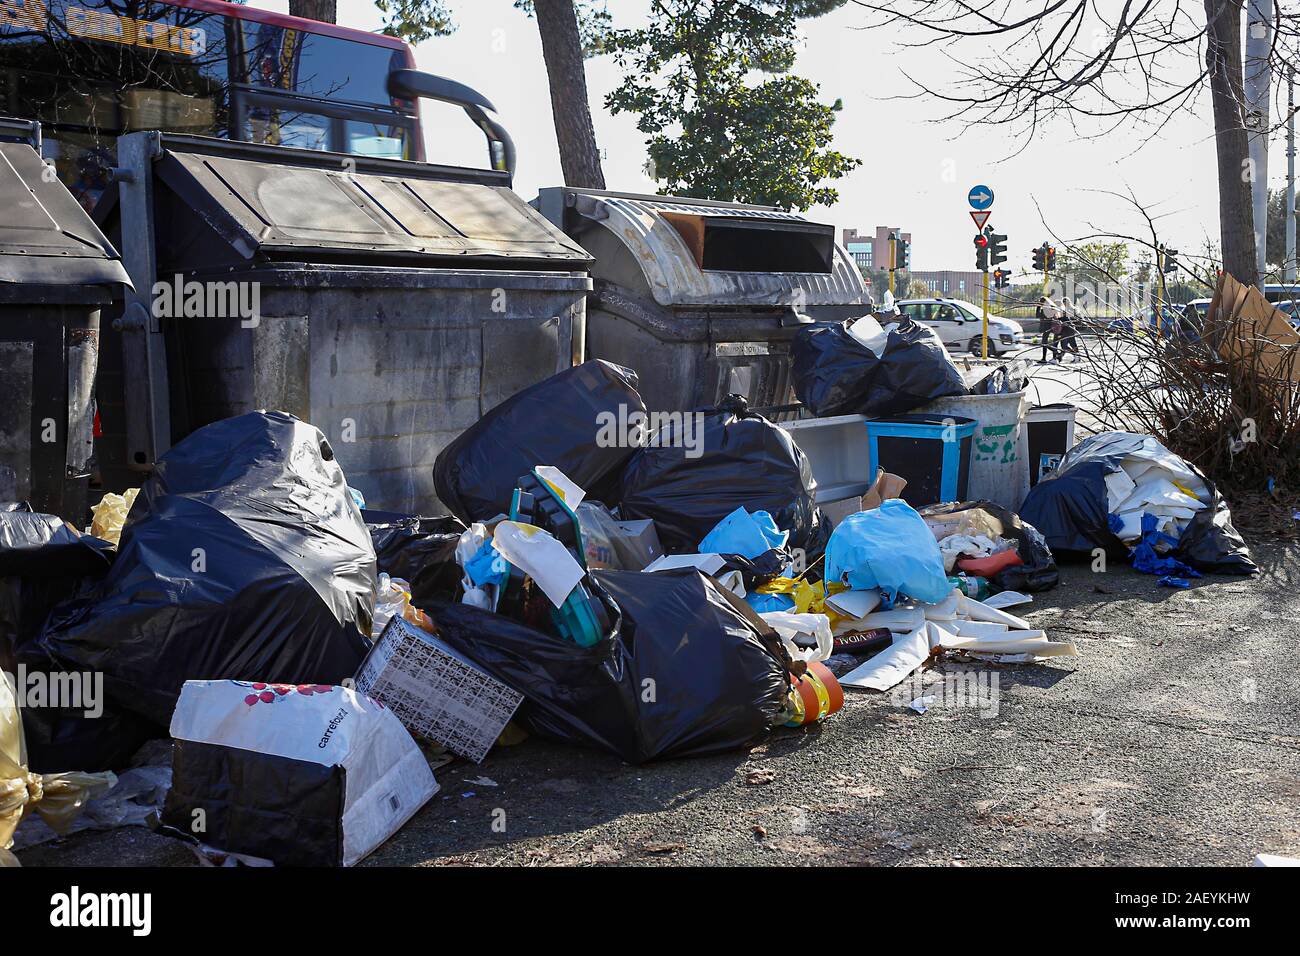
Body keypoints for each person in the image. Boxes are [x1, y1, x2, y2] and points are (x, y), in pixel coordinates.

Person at [1036, 296, 1061, 363]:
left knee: (1044, 343)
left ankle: (1055, 352)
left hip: (1047, 327)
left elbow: (1037, 315)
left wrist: (1038, 307)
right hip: (1049, 327)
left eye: (1040, 301)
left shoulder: (1045, 309)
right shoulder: (1050, 308)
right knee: (1044, 343)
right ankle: (1045, 357)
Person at [1057, 296, 1083, 361]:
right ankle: (1076, 356)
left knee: (1065, 345)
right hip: (1070, 328)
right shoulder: (1071, 309)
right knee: (1072, 343)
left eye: (1065, 302)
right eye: (1063, 302)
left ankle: (1076, 355)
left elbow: (1079, 319)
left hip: (1068, 329)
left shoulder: (1068, 310)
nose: (1064, 303)